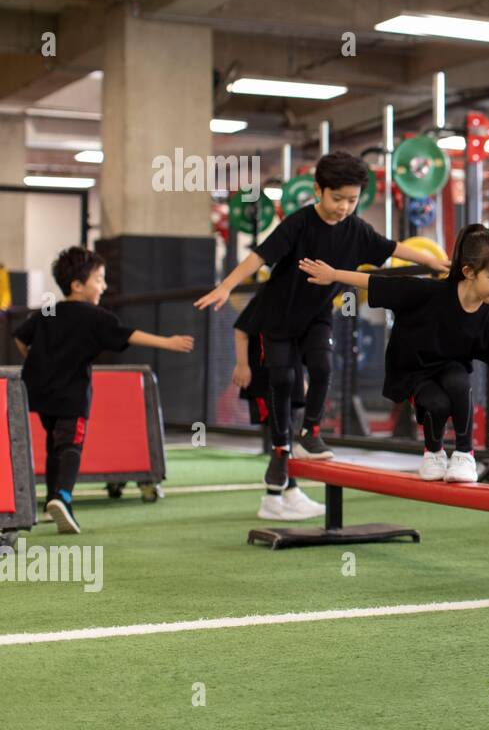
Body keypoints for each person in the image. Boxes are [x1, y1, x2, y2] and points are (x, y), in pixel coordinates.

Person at [195, 150, 450, 497]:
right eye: (337, 198)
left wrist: (436, 262)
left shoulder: (357, 230)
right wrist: (226, 285)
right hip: (278, 315)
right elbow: (259, 256)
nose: (344, 207)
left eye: (352, 200)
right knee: (283, 379)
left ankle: (310, 433)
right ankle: (281, 448)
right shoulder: (299, 223)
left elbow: (394, 248)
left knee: (322, 365)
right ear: (318, 190)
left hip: (316, 315)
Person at [299, 223, 489, 482]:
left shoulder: (488, 320)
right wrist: (334, 275)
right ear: (469, 272)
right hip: (413, 371)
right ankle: (433, 453)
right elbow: (375, 282)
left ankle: (465, 454)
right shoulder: (426, 293)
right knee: (438, 404)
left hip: (450, 369)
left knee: (459, 380)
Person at [12, 246, 194, 534]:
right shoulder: (95, 316)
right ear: (77, 285)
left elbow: (21, 338)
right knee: (72, 444)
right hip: (71, 394)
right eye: (99, 279)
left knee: (53, 444)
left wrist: (37, 360)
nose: (104, 286)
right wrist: (167, 342)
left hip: (40, 391)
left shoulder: (48, 311)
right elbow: (128, 335)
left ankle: (50, 499)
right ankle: (63, 497)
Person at [231, 290, 325, 521]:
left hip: (288, 377)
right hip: (265, 378)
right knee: (278, 435)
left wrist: (301, 376)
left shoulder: (300, 302)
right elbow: (241, 330)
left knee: (287, 430)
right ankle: (273, 497)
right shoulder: (268, 297)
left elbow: (297, 345)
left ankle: (290, 492)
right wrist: (242, 365)